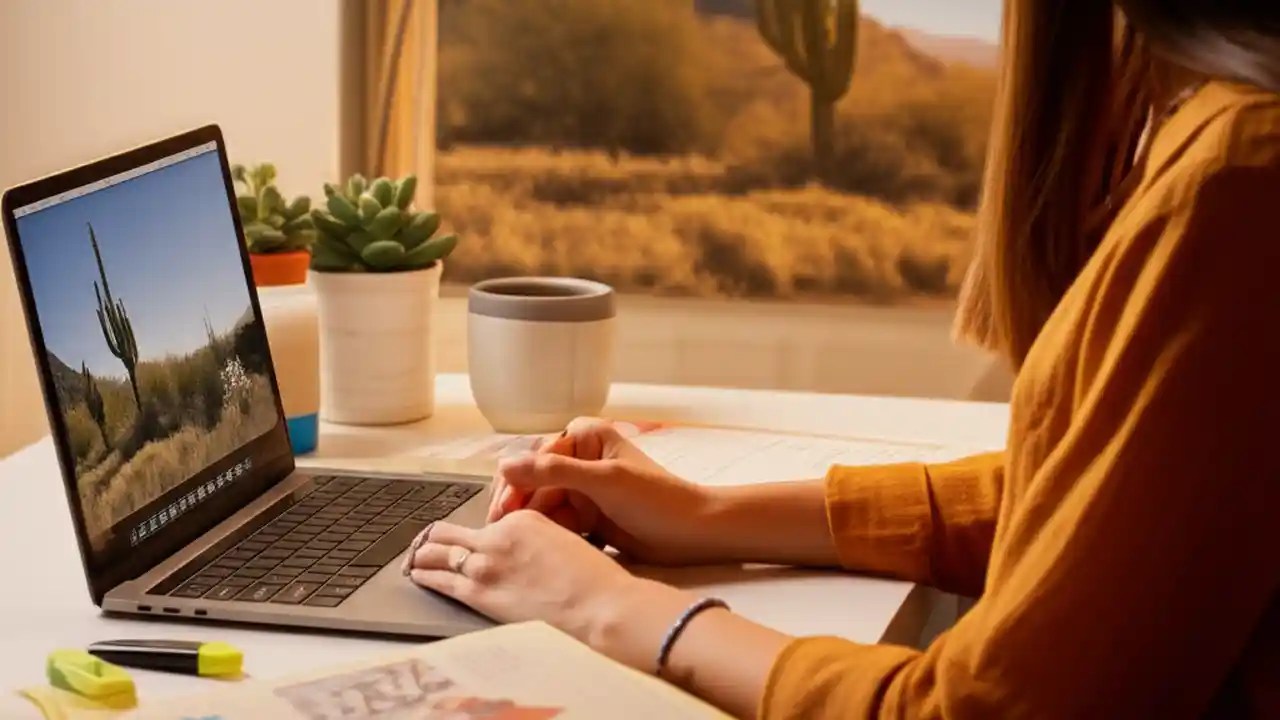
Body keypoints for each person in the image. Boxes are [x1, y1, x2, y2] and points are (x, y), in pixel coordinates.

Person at [404, 1, 1280, 717]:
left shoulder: (1241, 177)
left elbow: (981, 711)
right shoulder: (1212, 136)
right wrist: (706, 513)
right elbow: (1095, 500)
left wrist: (612, 610)